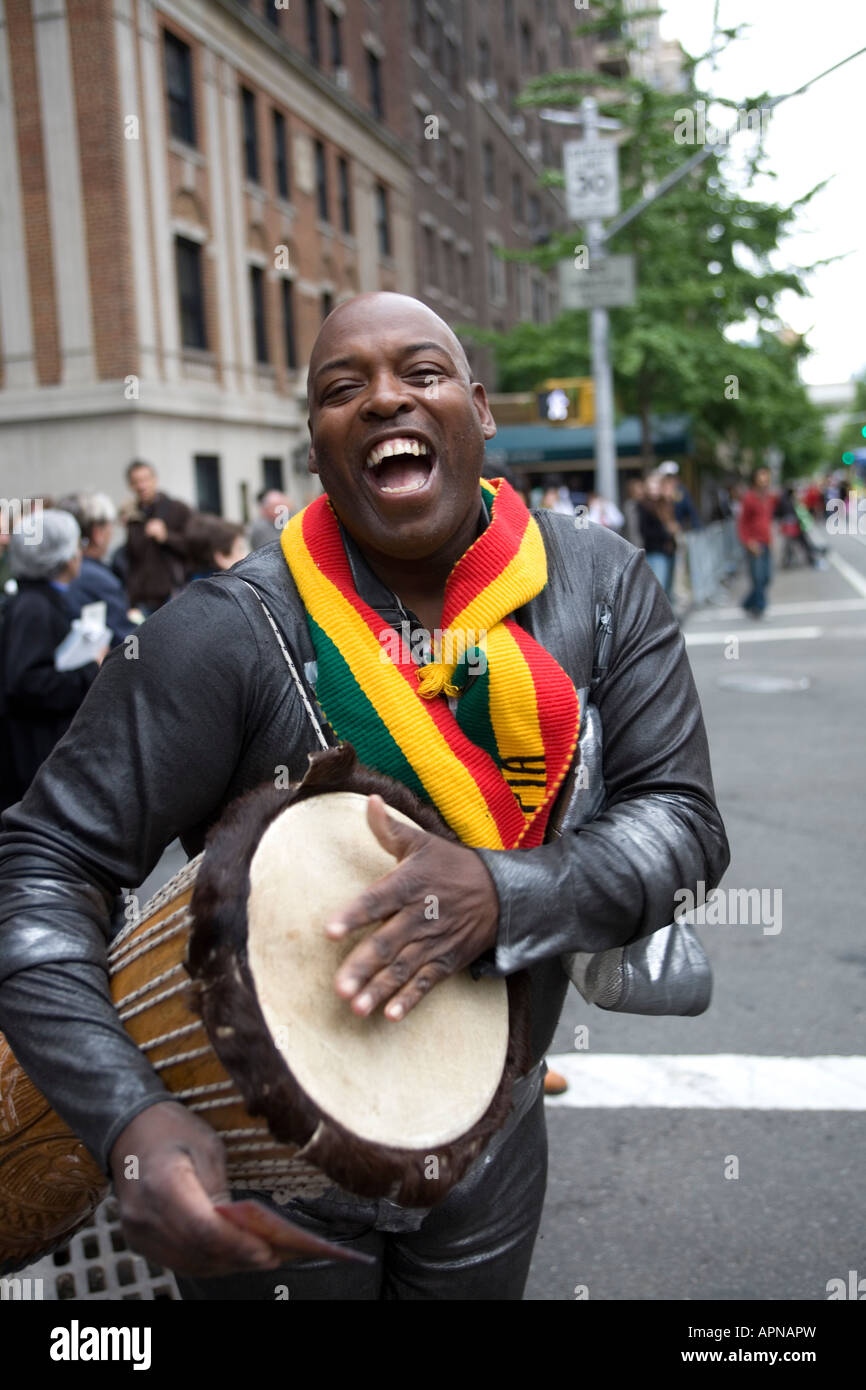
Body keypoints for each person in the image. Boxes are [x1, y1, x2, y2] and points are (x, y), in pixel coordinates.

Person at [0, 293, 729, 1300]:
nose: (385, 398)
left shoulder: (599, 584)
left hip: (493, 1141)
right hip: (264, 1167)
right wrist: (128, 1114)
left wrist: (500, 892)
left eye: (421, 373)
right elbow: (46, 862)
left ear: (477, 409)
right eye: (342, 389)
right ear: (314, 449)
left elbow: (682, 822)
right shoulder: (220, 632)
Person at [0, 510, 108, 812]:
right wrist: (91, 669)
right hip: (32, 756)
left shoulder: (37, 599)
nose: (80, 553)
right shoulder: (35, 607)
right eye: (76, 545)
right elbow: (27, 683)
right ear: (61, 557)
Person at [58, 493, 142, 646]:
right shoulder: (97, 578)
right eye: (110, 527)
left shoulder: (58, 571)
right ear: (98, 534)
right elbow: (126, 640)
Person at [122, 461, 192, 615]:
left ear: (155, 479)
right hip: (141, 599)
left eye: (145, 479)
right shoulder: (132, 516)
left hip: (173, 594)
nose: (141, 486)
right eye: (135, 482)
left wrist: (166, 537)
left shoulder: (177, 509)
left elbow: (194, 546)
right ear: (130, 486)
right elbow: (131, 558)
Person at [738, 465, 777, 618]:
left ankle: (747, 603)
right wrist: (748, 542)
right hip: (754, 544)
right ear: (755, 479)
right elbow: (742, 523)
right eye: (761, 476)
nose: (764, 479)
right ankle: (760, 608)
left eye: (766, 476)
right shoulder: (749, 498)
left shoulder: (769, 498)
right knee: (758, 578)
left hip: (766, 542)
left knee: (767, 577)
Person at [637, 472, 677, 600]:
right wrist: (667, 532)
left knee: (667, 589)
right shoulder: (643, 506)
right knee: (659, 589)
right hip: (654, 551)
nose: (654, 489)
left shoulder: (664, 504)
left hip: (668, 551)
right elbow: (644, 531)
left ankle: (669, 616)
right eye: (651, 485)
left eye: (657, 485)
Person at [186, 514, 250, 580]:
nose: (245, 556)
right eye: (240, 549)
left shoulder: (193, 582)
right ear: (222, 556)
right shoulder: (225, 587)